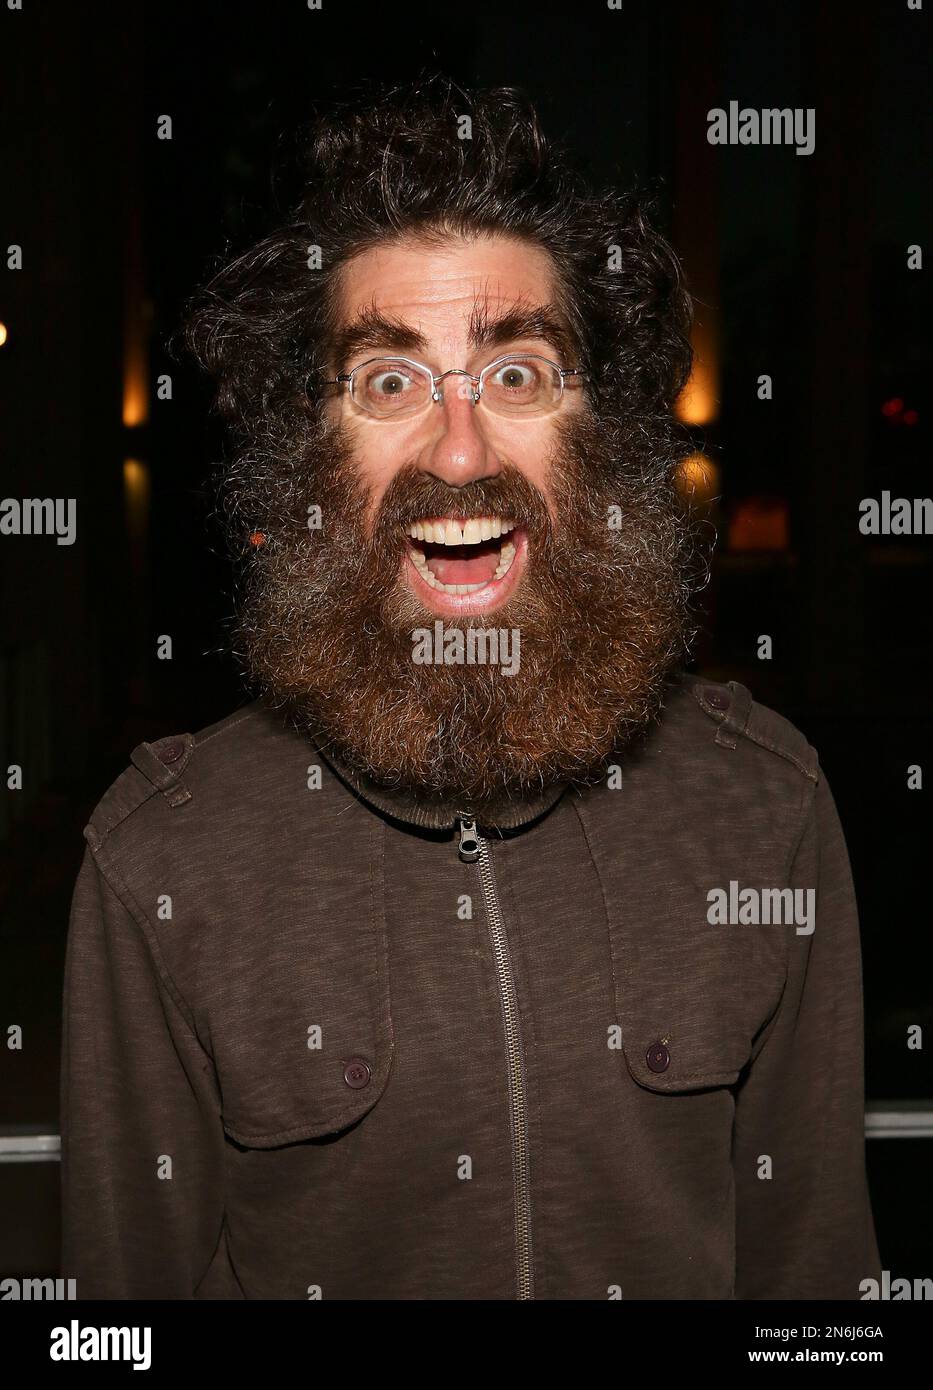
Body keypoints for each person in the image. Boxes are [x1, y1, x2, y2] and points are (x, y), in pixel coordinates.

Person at [60, 76, 881, 1300]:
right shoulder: (158, 861)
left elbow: (819, 1288)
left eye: (516, 375)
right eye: (389, 382)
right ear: (311, 456)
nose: (458, 448)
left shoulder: (766, 807)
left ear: (601, 432)